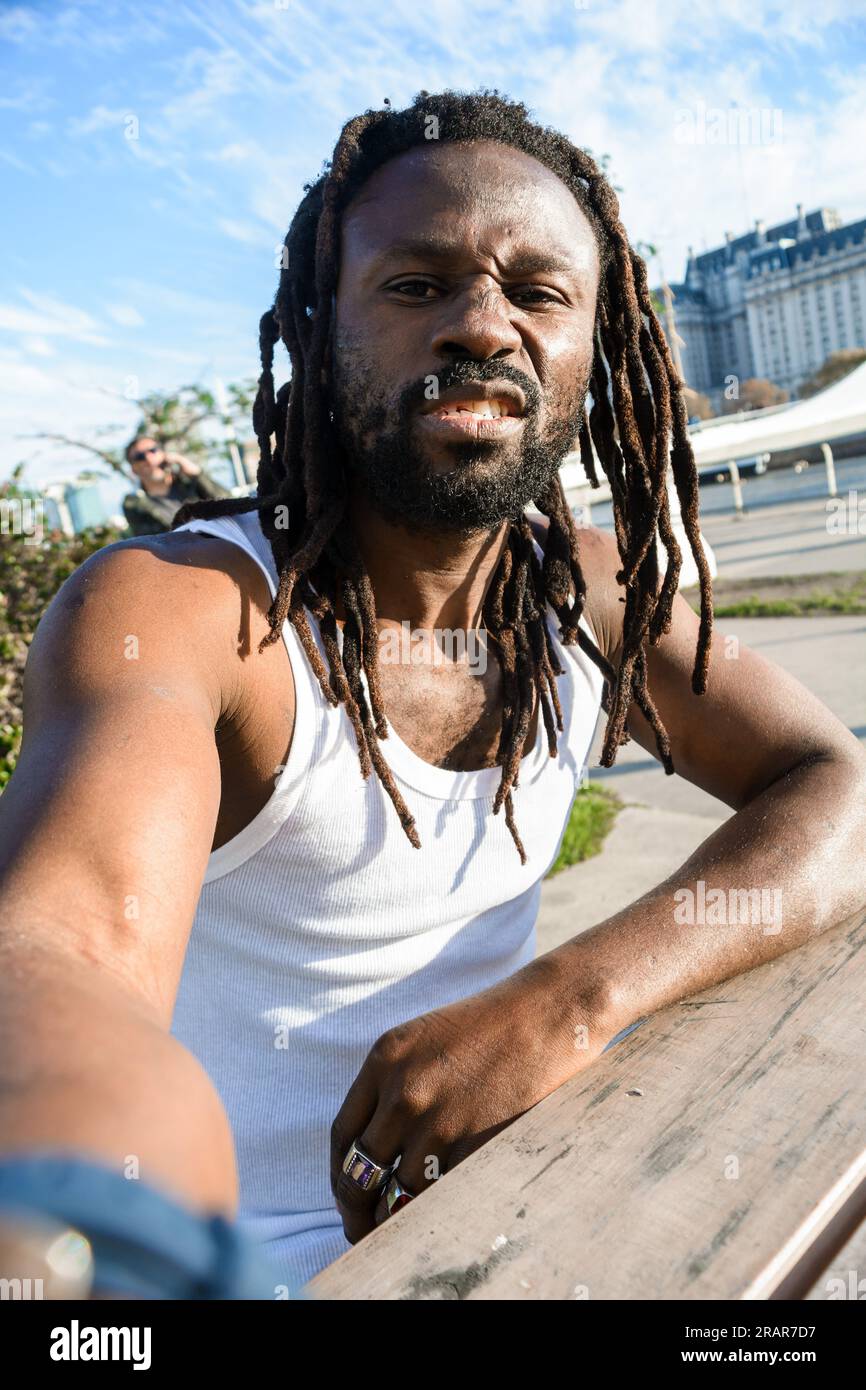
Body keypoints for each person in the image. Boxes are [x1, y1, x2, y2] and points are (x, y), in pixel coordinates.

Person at [1, 90, 865, 1296]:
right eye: (415, 286)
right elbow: (60, 951)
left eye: (537, 292)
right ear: (321, 326)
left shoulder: (595, 598)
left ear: (594, 346)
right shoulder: (181, 610)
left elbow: (834, 787)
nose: (480, 325)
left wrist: (567, 998)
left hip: (513, 1214)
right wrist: (102, 1222)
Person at [122, 436, 231, 536]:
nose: (149, 459)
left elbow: (231, 505)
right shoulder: (134, 504)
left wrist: (196, 475)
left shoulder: (191, 484)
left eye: (153, 450)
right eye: (139, 456)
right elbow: (150, 540)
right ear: (133, 469)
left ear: (164, 454)